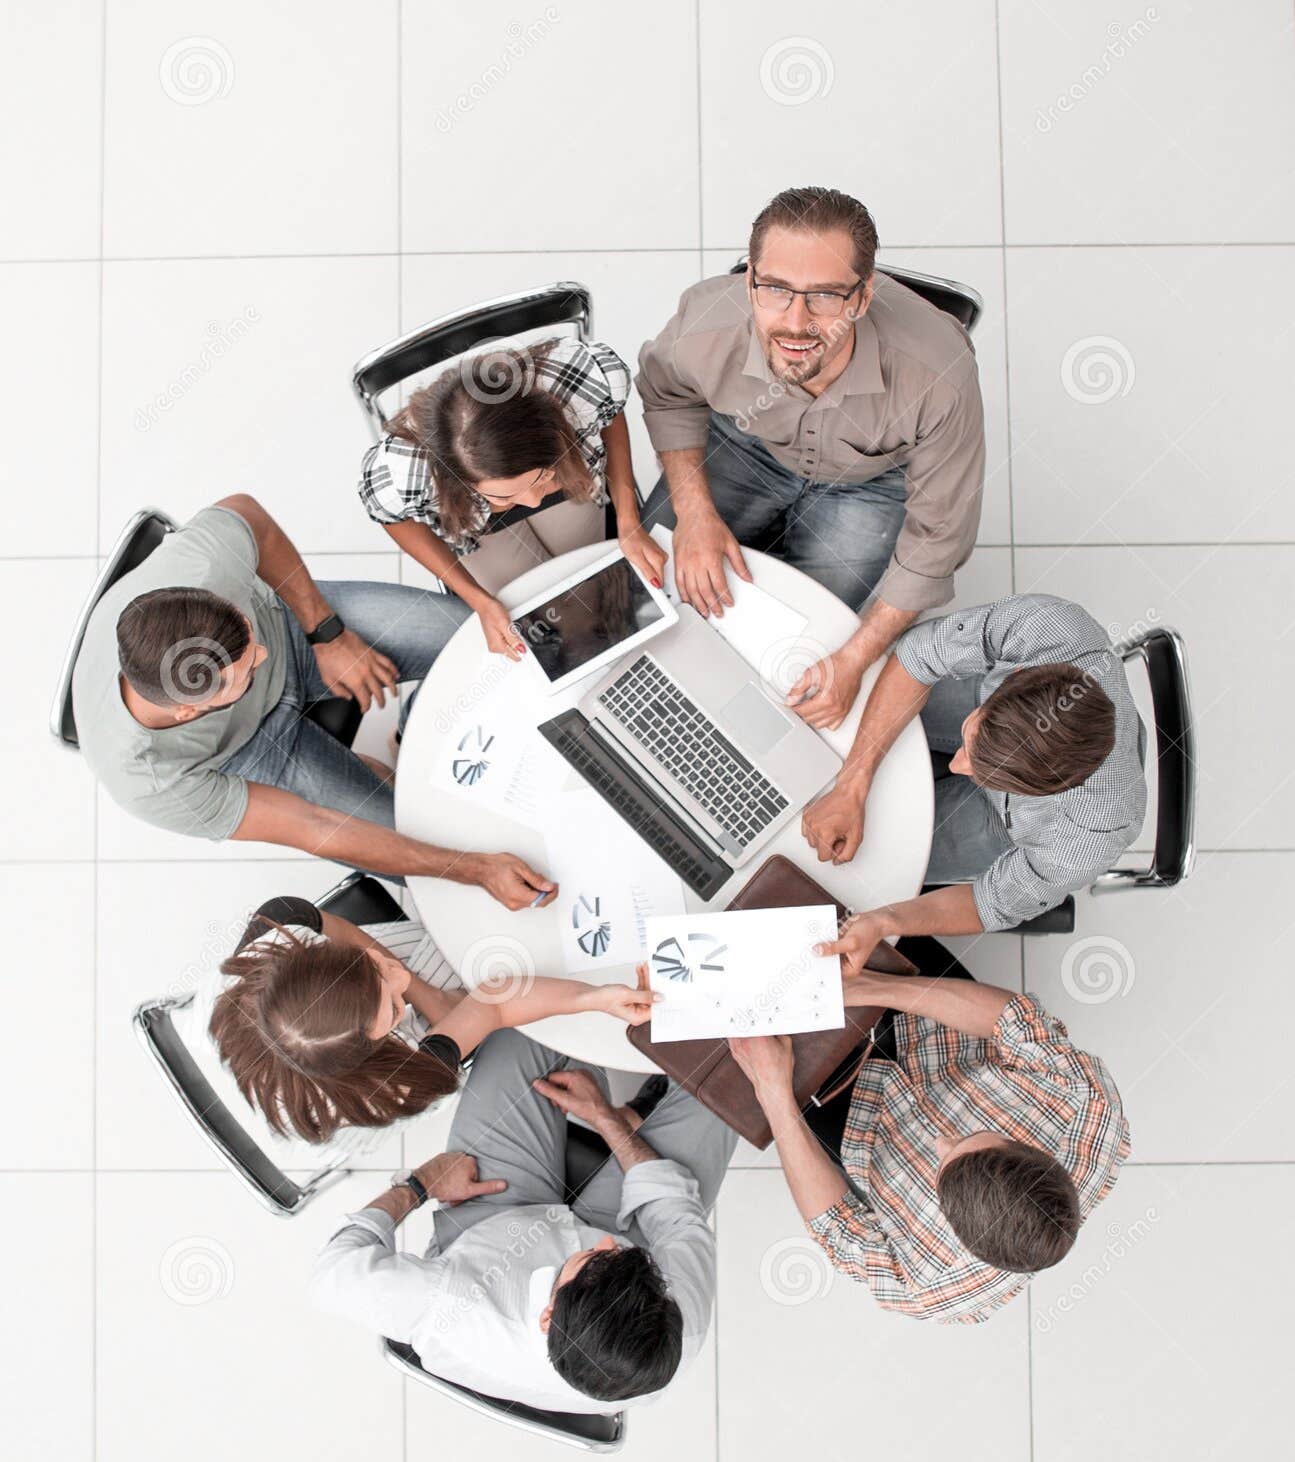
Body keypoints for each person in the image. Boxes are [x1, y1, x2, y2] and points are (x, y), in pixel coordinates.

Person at [72, 496, 553, 906]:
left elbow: (247, 514)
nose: (260, 652)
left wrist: (325, 633)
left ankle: (402, 736)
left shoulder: (201, 572)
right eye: (247, 665)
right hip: (247, 753)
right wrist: (473, 870)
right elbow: (312, 825)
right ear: (188, 711)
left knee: (478, 639)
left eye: (245, 636)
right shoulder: (151, 782)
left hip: (294, 627)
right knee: (436, 865)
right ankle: (376, 769)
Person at [636, 185, 985, 725]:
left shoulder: (939, 373)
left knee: (799, 652)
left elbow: (936, 542)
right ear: (750, 280)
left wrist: (854, 660)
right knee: (646, 602)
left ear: (864, 296)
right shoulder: (704, 322)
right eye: (776, 288)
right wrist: (695, 511)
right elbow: (667, 395)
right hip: (743, 444)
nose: (796, 323)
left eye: (825, 295)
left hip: (871, 481)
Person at [311, 1028, 735, 1411]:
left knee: (518, 1028)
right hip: (624, 1241)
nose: (607, 1244)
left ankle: (636, 1107)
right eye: (623, 1256)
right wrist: (605, 1120)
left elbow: (332, 1273)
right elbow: (676, 1217)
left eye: (598, 1258)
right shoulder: (678, 1326)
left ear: (547, 1315)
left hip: (493, 1225)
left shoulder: (455, 1306)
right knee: (735, 1079)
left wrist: (420, 1184)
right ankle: (634, 1114)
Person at [729, 944, 1129, 1323]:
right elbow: (1012, 1021)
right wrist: (872, 986)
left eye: (940, 1162)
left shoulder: (930, 1287)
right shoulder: (1090, 1108)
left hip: (852, 1115)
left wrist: (773, 1091)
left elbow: (838, 1226)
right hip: (935, 1012)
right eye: (969, 1136)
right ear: (1024, 1146)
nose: (941, 1140)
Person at [804, 593, 1148, 940]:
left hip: (1006, 823)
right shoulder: (1050, 629)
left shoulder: (1088, 837)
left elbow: (989, 904)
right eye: (969, 742)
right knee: (840, 720)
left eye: (979, 769)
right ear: (1016, 672)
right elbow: (920, 655)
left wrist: (886, 923)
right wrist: (851, 785)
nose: (955, 765)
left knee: (867, 864)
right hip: (993, 698)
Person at [208, 894, 655, 1146]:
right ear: (377, 1047)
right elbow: (495, 1004)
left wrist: (424, 994)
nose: (397, 972)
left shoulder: (279, 928)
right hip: (337, 1098)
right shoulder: (400, 1085)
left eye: (373, 968)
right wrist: (594, 998)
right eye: (391, 1009)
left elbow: (337, 930)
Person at [358, 336, 666, 658]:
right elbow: (392, 518)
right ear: (457, 481)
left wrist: (629, 520)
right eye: (504, 494)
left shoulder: (583, 385)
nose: (532, 502)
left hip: (567, 489)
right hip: (478, 528)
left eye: (539, 478)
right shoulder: (403, 472)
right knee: (525, 599)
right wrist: (479, 601)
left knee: (588, 579)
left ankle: (587, 628)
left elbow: (609, 415)